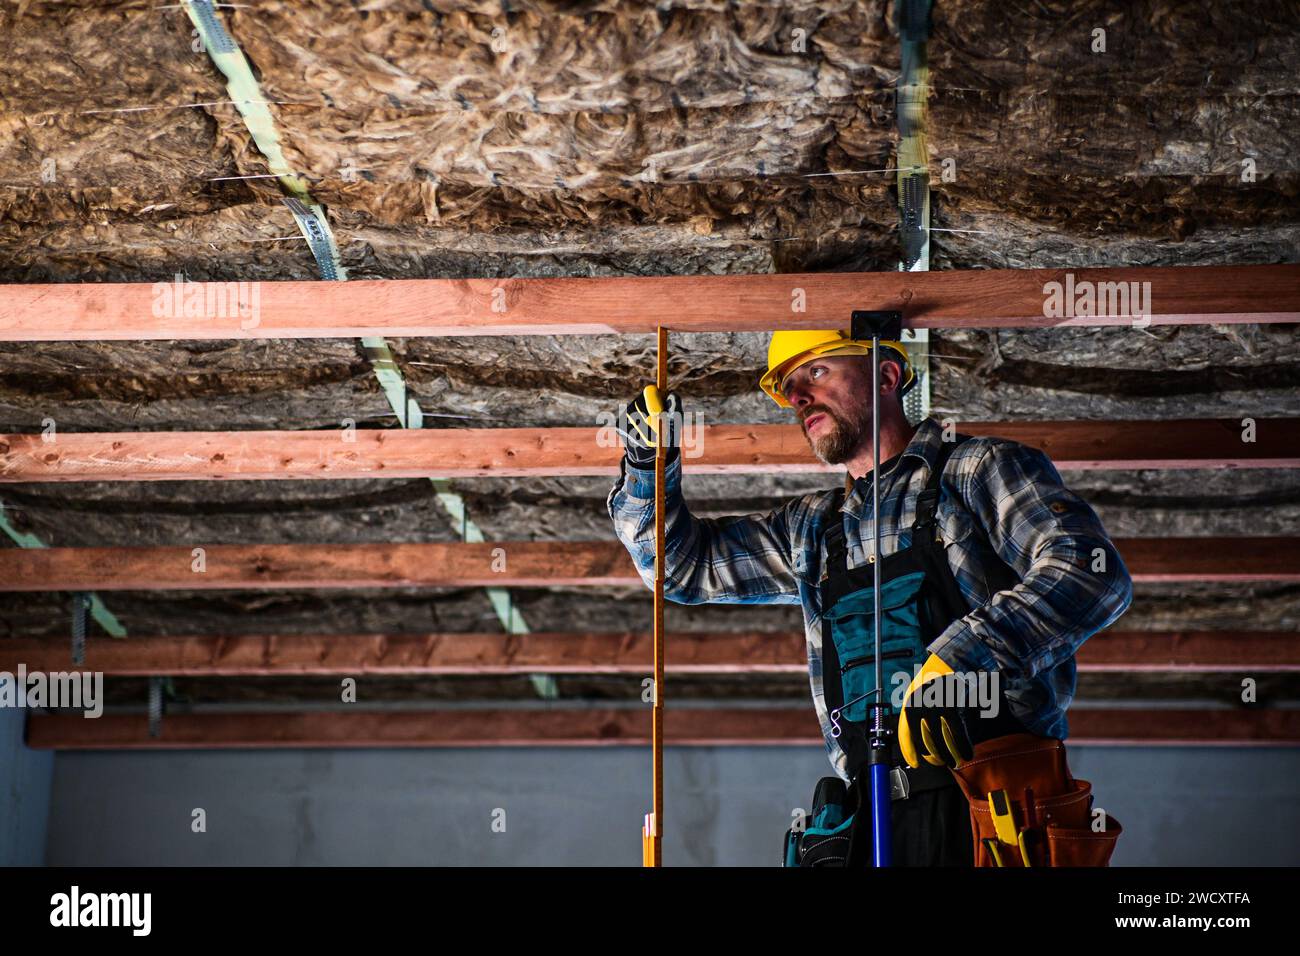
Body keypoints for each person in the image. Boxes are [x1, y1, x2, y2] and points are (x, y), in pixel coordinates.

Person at [607, 327, 1134, 866]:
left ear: (886, 374)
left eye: (816, 372)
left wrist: (962, 658)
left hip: (995, 810)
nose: (798, 396)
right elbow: (679, 566)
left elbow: (1091, 573)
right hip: (872, 818)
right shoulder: (813, 529)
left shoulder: (976, 471)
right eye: (789, 387)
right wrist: (649, 465)